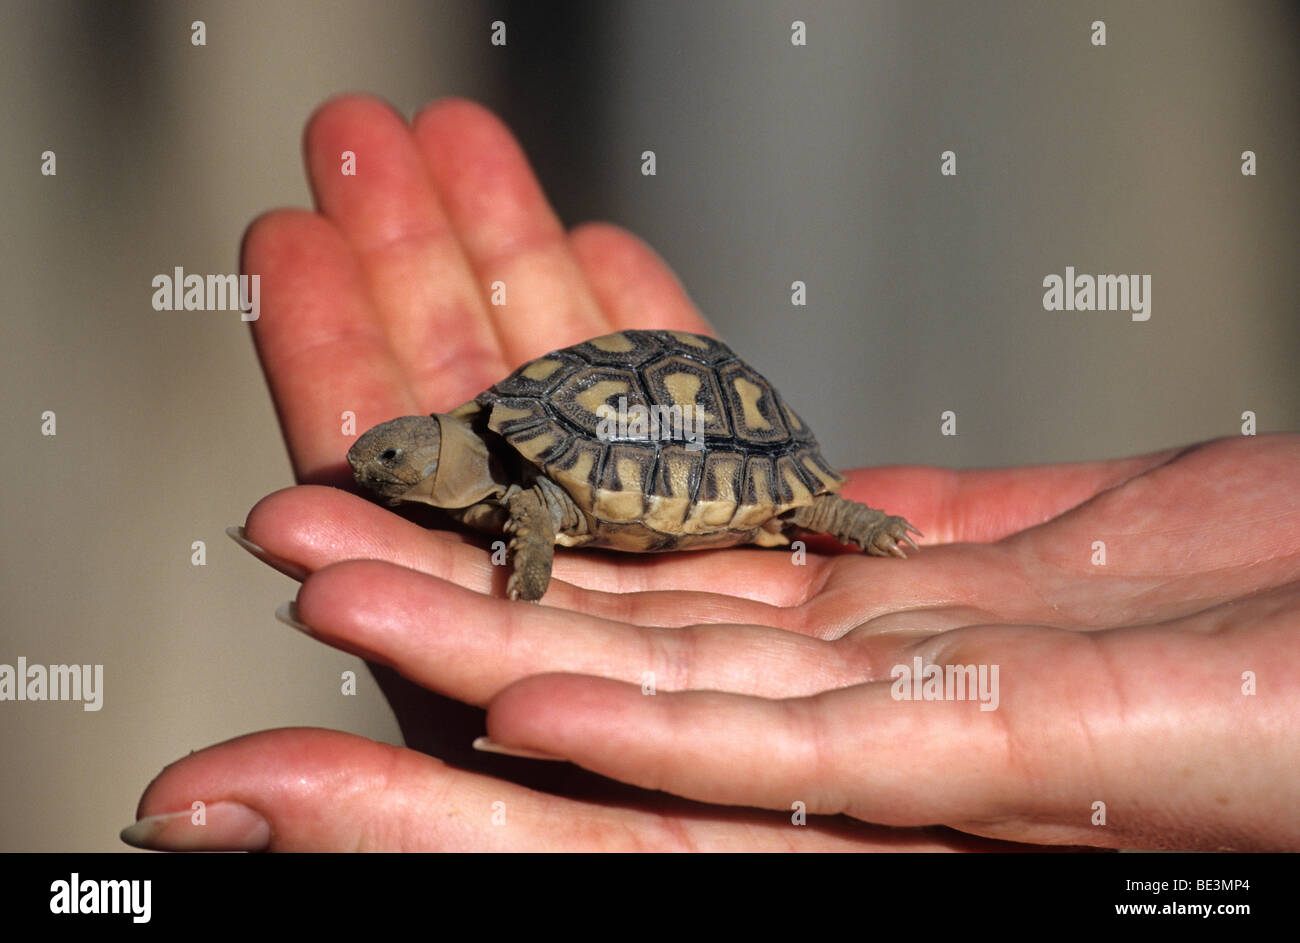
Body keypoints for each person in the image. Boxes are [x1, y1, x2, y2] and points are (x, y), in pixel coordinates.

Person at [122, 95, 1300, 852]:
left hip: (731, 445)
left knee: (800, 508)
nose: (380, 468)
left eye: (390, 459)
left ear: (438, 456)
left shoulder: (521, 471)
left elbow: (538, 496)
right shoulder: (479, 435)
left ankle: (827, 504)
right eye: (385, 462)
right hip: (653, 426)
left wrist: (532, 553)